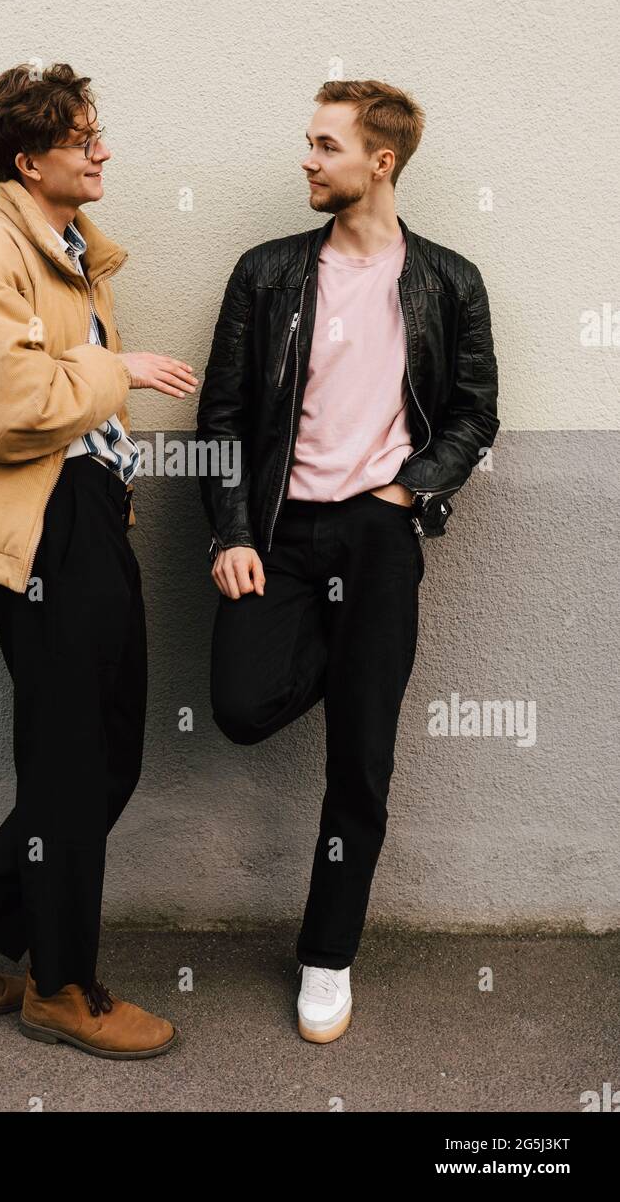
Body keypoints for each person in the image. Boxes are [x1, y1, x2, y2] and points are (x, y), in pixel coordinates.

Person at [0, 61, 198, 1058]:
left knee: (103, 756)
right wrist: (117, 369)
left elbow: (52, 384)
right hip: (47, 523)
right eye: (81, 136)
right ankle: (61, 987)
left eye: (97, 131)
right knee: (74, 759)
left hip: (87, 517)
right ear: (28, 159)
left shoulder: (69, 256)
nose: (102, 148)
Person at [196, 79, 500, 1043]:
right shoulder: (269, 274)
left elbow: (473, 413)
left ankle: (327, 957)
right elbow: (223, 419)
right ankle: (363, 660)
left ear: (381, 161)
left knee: (361, 757)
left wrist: (406, 492)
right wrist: (233, 532)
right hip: (280, 532)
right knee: (242, 705)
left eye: (325, 145)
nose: (308, 160)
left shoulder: (449, 280)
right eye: (310, 143)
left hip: (378, 531)